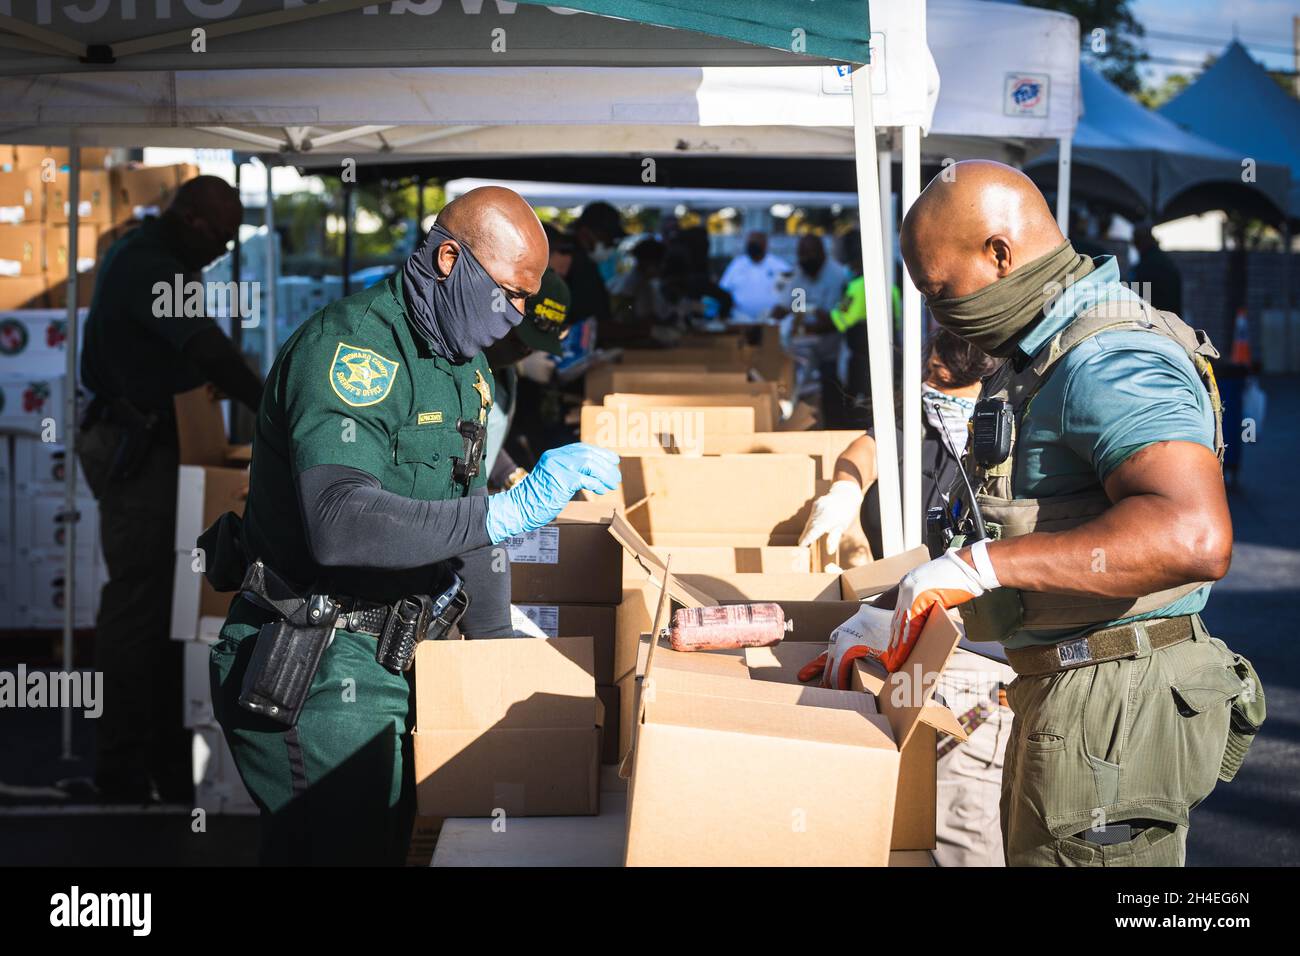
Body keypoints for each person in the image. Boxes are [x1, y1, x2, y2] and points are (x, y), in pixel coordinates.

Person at [829, 160, 1263, 867]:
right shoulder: (1049, 354)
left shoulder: (1108, 356)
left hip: (1111, 709)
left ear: (999, 253)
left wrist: (979, 566)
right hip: (1073, 687)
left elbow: (1193, 534)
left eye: (942, 293)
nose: (941, 318)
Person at [207, 186, 621, 865]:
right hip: (317, 661)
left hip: (397, 653)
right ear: (450, 258)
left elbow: (469, 522)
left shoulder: (464, 366)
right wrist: (508, 511)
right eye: (510, 293)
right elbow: (339, 522)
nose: (519, 314)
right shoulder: (352, 349)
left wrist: (491, 658)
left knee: (388, 843)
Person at [77, 175, 263, 805]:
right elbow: (211, 352)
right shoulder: (153, 267)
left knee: (165, 607)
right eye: (219, 238)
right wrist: (275, 404)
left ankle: (159, 759)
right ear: (188, 219)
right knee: (140, 604)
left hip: (154, 444)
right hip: (136, 451)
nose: (221, 252)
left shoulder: (151, 255)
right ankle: (121, 766)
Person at [798, 329, 997, 562]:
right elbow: (866, 450)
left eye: (940, 375)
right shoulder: (917, 420)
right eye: (929, 370)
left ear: (979, 380)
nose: (928, 383)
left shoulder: (996, 437)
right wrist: (845, 490)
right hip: (893, 574)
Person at [484, 266, 571, 484]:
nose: (525, 351)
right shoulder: (455, 368)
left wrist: (510, 474)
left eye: (532, 345)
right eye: (519, 340)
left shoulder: (506, 372)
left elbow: (482, 439)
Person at [773, 234, 849, 433]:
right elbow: (787, 307)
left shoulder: (838, 275)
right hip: (803, 351)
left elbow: (834, 320)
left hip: (831, 350)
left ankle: (833, 433)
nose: (805, 258)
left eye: (809, 254)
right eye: (802, 255)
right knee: (798, 396)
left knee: (832, 398)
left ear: (821, 253)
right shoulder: (800, 275)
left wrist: (810, 322)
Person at [567, 201, 622, 327]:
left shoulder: (587, 262)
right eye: (607, 238)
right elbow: (592, 319)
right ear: (585, 232)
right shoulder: (577, 265)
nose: (610, 244)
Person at [719, 230, 789, 322]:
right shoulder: (737, 265)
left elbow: (792, 297)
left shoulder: (780, 267)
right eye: (750, 243)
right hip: (740, 320)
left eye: (755, 243)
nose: (752, 246)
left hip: (772, 321)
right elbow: (723, 290)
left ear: (765, 244)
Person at [1130, 220, 1183, 315]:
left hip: (1156, 321)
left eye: (1136, 242)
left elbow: (1140, 302)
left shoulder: (1146, 267)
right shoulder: (1165, 262)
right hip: (1170, 321)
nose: (1136, 247)